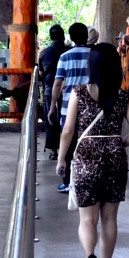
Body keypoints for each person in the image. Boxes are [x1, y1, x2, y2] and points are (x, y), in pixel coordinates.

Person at [57, 42, 129, 258]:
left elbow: (68, 130)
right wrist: (120, 143)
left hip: (85, 158)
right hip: (115, 157)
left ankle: (89, 257)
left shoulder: (79, 93)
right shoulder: (123, 96)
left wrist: (62, 159)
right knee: (109, 218)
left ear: (91, 66)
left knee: (87, 219)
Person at [50, 22, 91, 192]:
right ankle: (88, 180)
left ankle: (68, 183)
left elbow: (58, 83)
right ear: (86, 36)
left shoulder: (65, 57)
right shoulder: (94, 55)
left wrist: (52, 105)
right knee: (88, 144)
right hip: (91, 107)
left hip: (68, 107)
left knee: (68, 144)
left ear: (71, 38)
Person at [36, 24, 68, 159]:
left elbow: (41, 73)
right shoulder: (69, 50)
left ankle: (54, 150)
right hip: (68, 89)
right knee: (68, 118)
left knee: (51, 118)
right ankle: (69, 149)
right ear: (63, 36)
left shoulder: (44, 53)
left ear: (51, 37)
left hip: (50, 90)